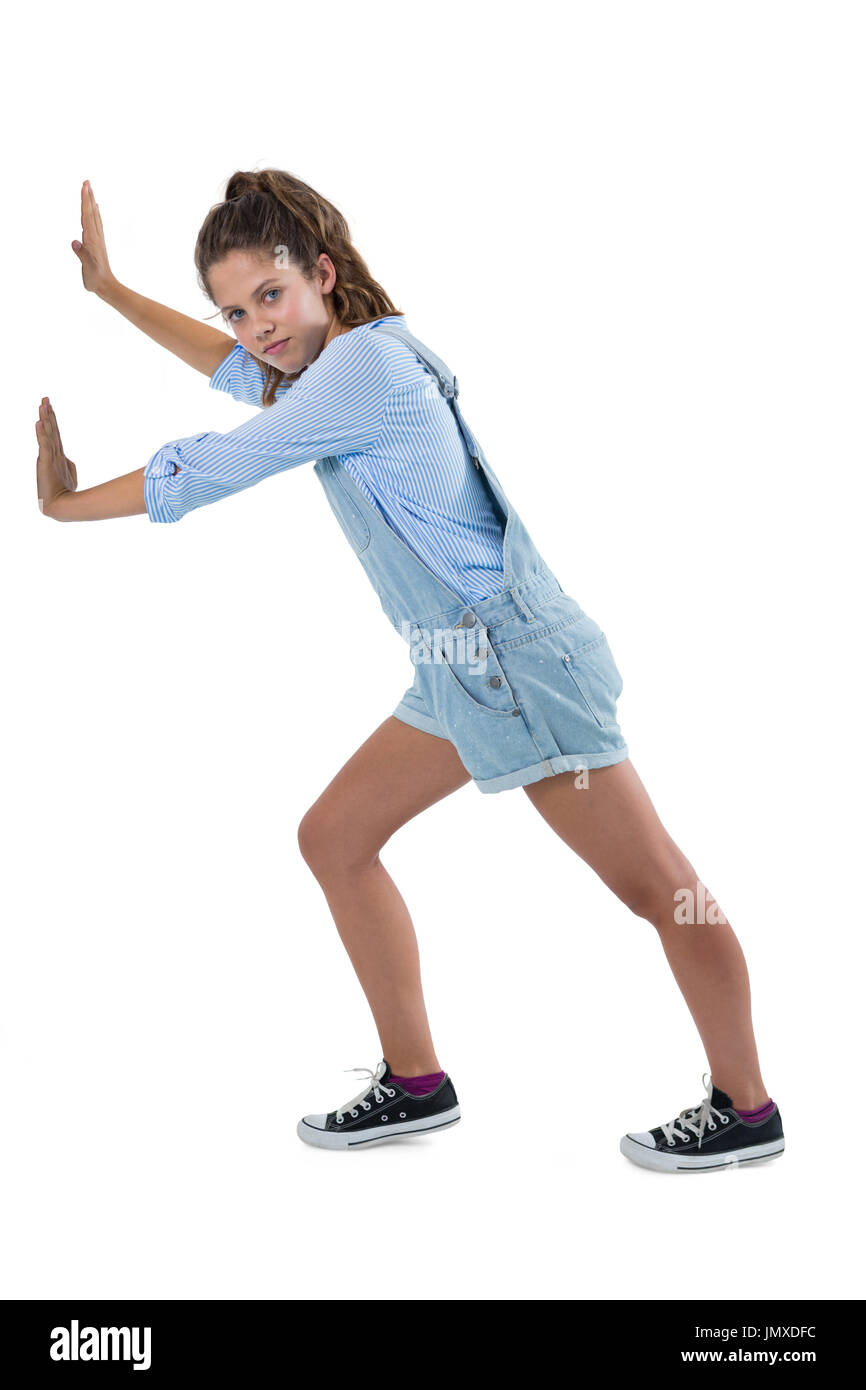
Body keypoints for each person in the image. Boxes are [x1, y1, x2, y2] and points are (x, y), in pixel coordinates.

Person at [36, 169, 785, 1172]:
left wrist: (63, 507)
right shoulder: (343, 357)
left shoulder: (358, 375)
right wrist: (110, 290)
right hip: (456, 668)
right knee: (335, 837)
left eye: (270, 295)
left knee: (663, 889)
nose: (256, 326)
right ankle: (415, 1082)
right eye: (236, 307)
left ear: (323, 277)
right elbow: (236, 371)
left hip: (516, 665)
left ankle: (746, 1107)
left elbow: (218, 462)